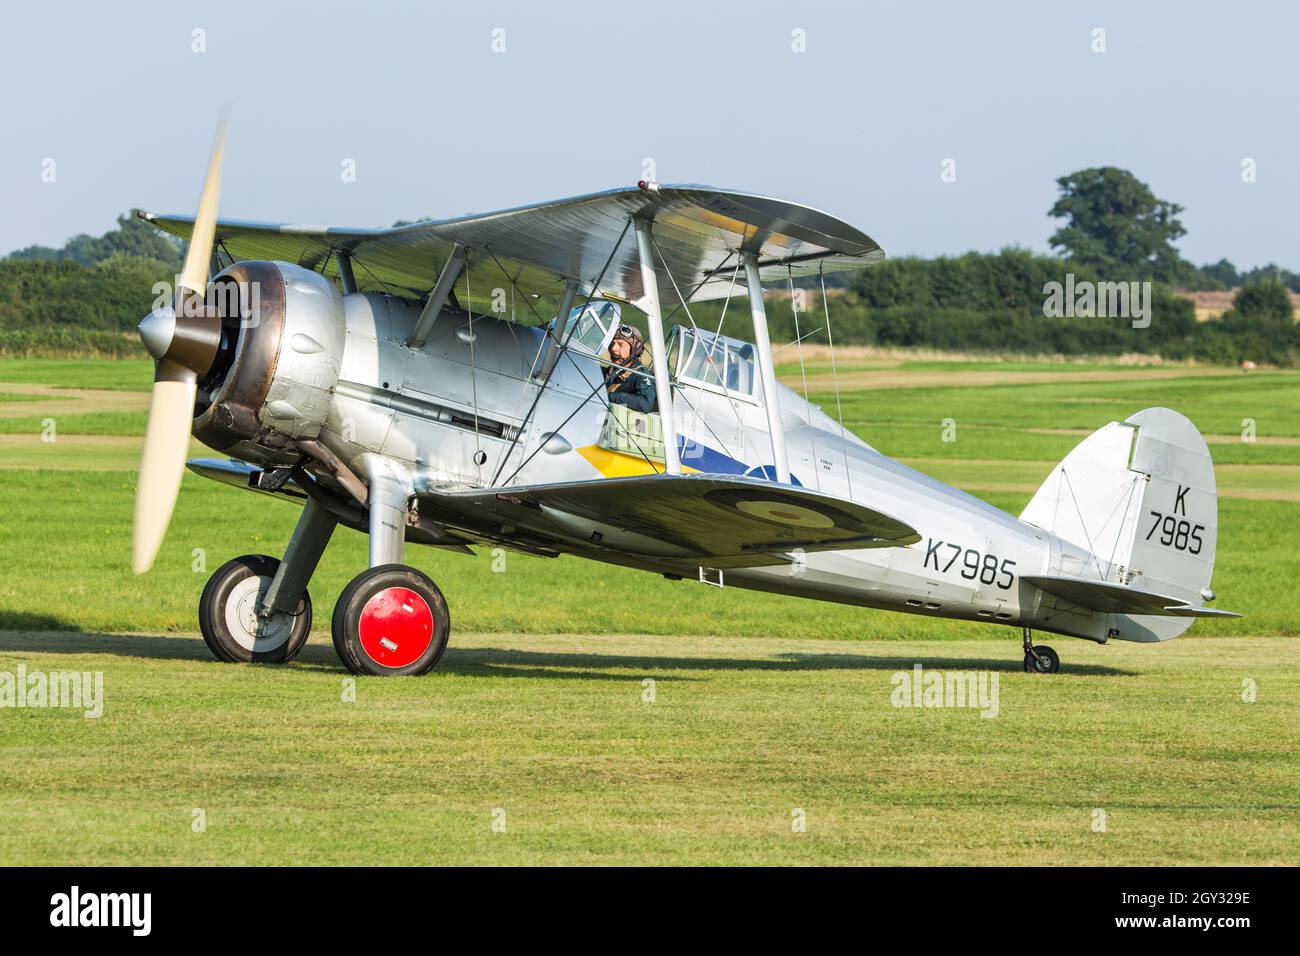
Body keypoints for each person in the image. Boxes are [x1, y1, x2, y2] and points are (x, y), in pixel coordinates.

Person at [604, 324, 657, 413]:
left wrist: (609, 396)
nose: (614, 348)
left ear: (635, 349)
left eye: (620, 344)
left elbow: (645, 404)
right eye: (613, 343)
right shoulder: (611, 370)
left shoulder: (640, 374)